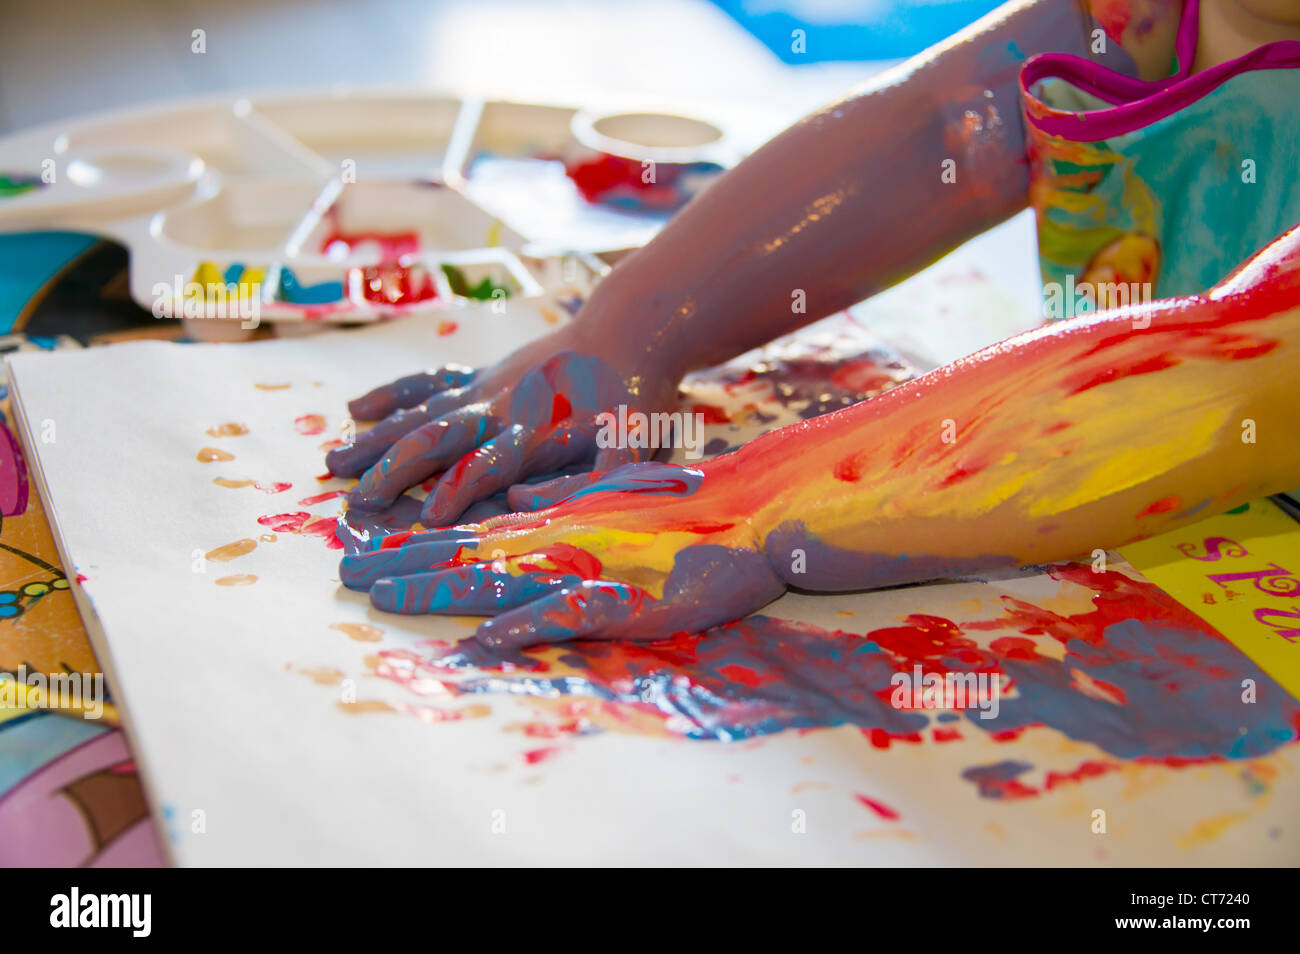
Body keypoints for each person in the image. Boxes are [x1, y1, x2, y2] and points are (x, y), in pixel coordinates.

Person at [328, 0, 1300, 648]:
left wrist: (745, 511)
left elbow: (1232, 369)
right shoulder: (1141, 16)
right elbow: (940, 131)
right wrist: (628, 333)